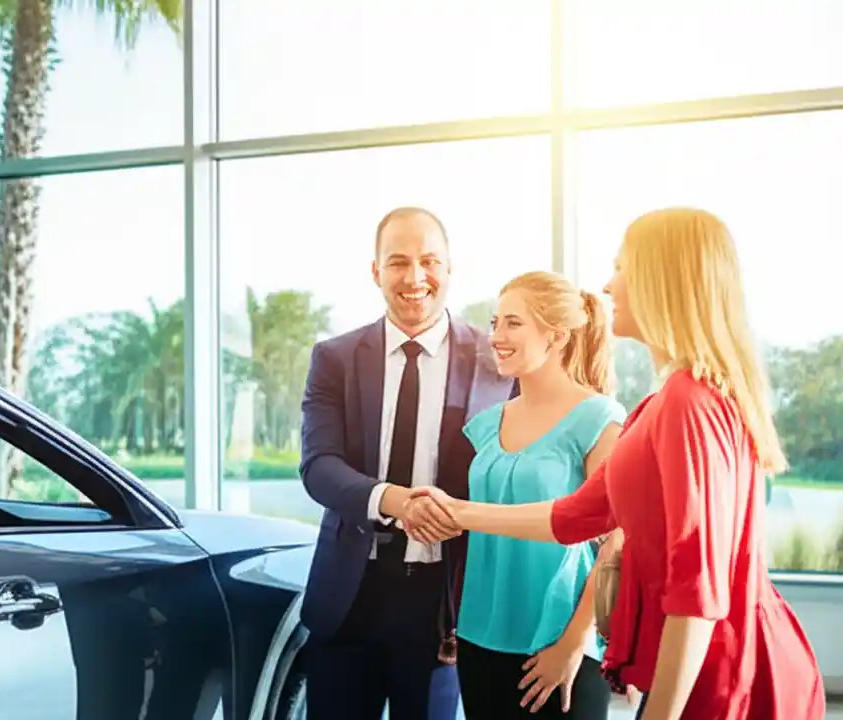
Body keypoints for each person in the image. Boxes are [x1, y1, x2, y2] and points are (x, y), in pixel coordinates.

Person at [401, 208, 826, 720]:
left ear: (661, 280)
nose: (607, 285)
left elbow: (697, 596)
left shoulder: (687, 403)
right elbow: (577, 516)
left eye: (621, 268)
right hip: (706, 664)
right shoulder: (667, 401)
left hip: (728, 676)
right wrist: (458, 512)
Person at [298, 206, 515, 719]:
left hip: (443, 608)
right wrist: (395, 502)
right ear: (375, 272)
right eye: (397, 262)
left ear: (449, 268)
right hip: (348, 598)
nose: (415, 278)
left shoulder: (497, 362)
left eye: (428, 261)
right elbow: (319, 466)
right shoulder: (334, 357)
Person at [451, 270, 623, 720]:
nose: (497, 336)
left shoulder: (598, 418)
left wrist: (573, 644)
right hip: (478, 637)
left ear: (557, 335)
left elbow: (617, 542)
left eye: (513, 323)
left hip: (558, 642)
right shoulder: (487, 424)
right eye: (495, 323)